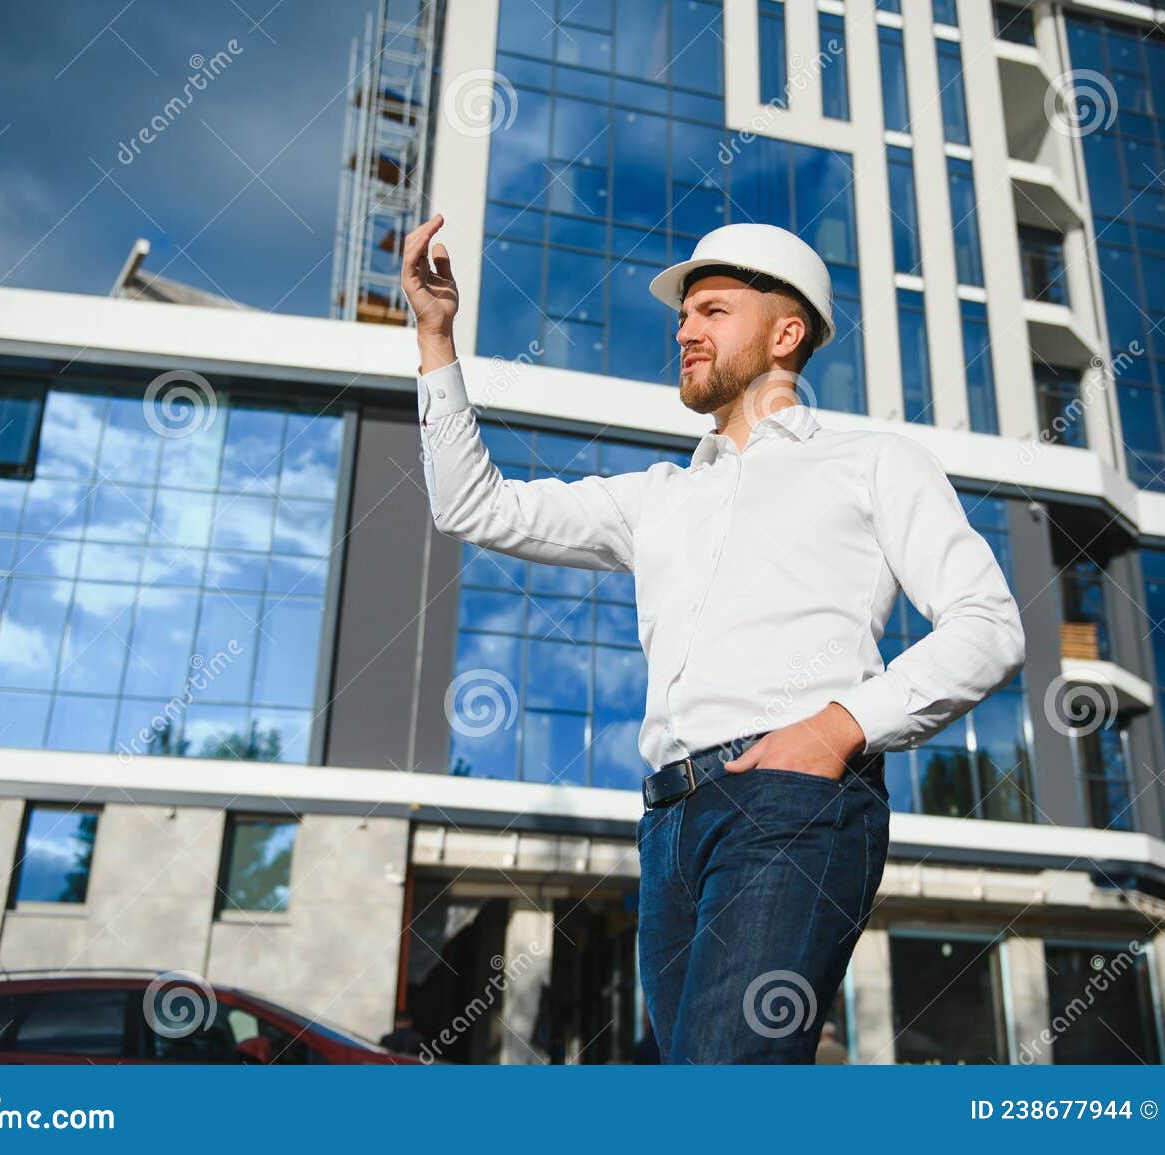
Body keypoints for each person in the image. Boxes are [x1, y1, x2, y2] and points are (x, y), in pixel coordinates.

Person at [400, 215, 1025, 1064]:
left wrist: (835, 728)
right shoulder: (655, 496)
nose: (686, 331)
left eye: (713, 311)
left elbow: (988, 625)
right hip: (667, 823)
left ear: (786, 333)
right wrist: (436, 337)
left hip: (796, 805)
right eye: (683, 318)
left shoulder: (874, 461)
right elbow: (472, 507)